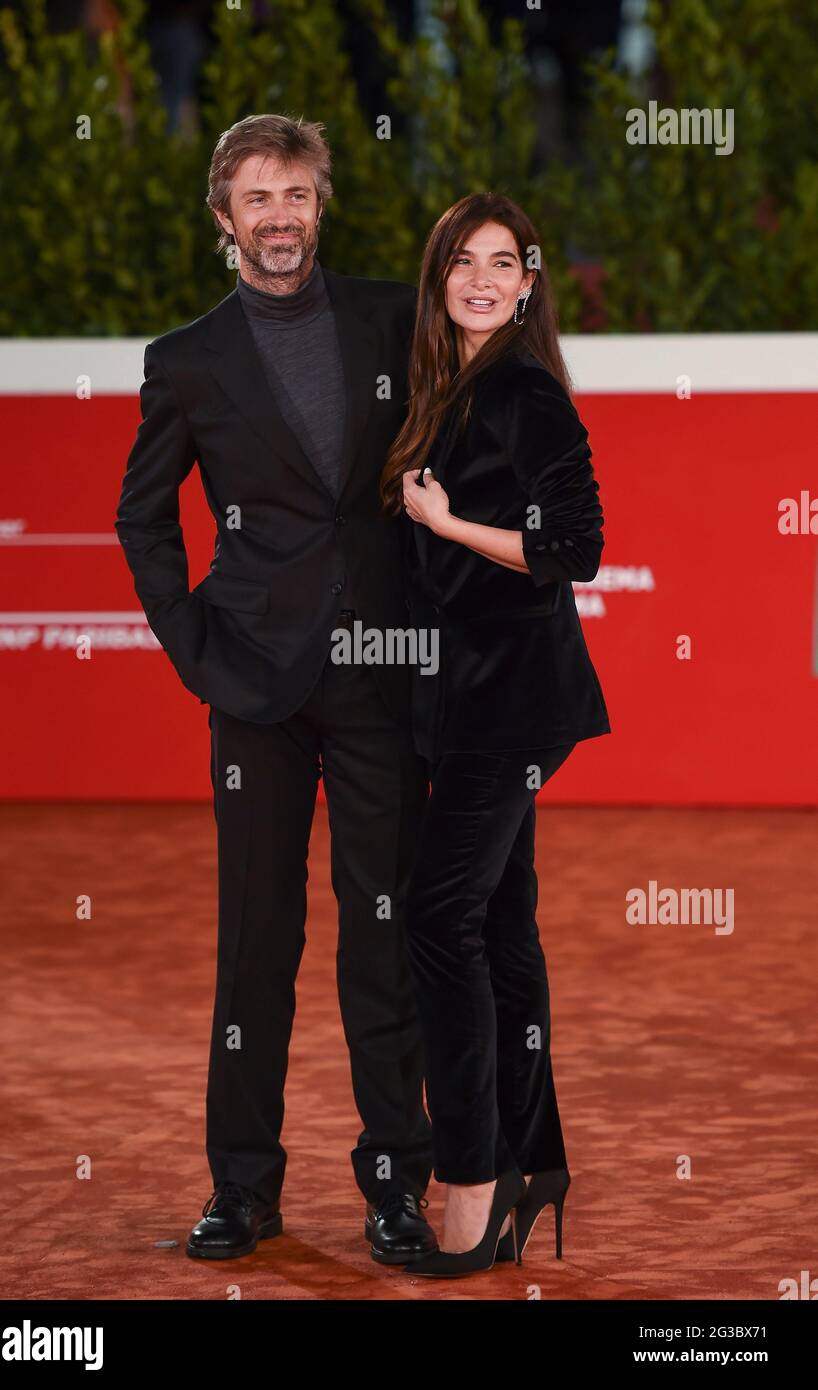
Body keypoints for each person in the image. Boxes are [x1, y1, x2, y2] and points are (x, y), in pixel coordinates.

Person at [115, 114, 436, 1264]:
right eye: (256, 198)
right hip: (253, 684)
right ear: (224, 217)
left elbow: (455, 448)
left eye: (295, 193)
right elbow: (141, 517)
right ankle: (243, 1187)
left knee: (383, 937)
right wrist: (195, 648)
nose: (279, 216)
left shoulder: (391, 318)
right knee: (256, 942)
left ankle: (396, 1184)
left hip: (380, 678)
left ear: (320, 201)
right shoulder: (187, 360)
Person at [381, 192, 611, 1278]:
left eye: (500, 263)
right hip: (469, 696)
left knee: (436, 916)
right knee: (501, 925)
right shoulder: (447, 389)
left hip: (509, 696)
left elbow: (574, 549)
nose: (479, 278)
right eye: (458, 262)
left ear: (527, 284)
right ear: (437, 282)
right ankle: (533, 1162)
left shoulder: (522, 391)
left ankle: (469, 1180)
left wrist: (443, 522)